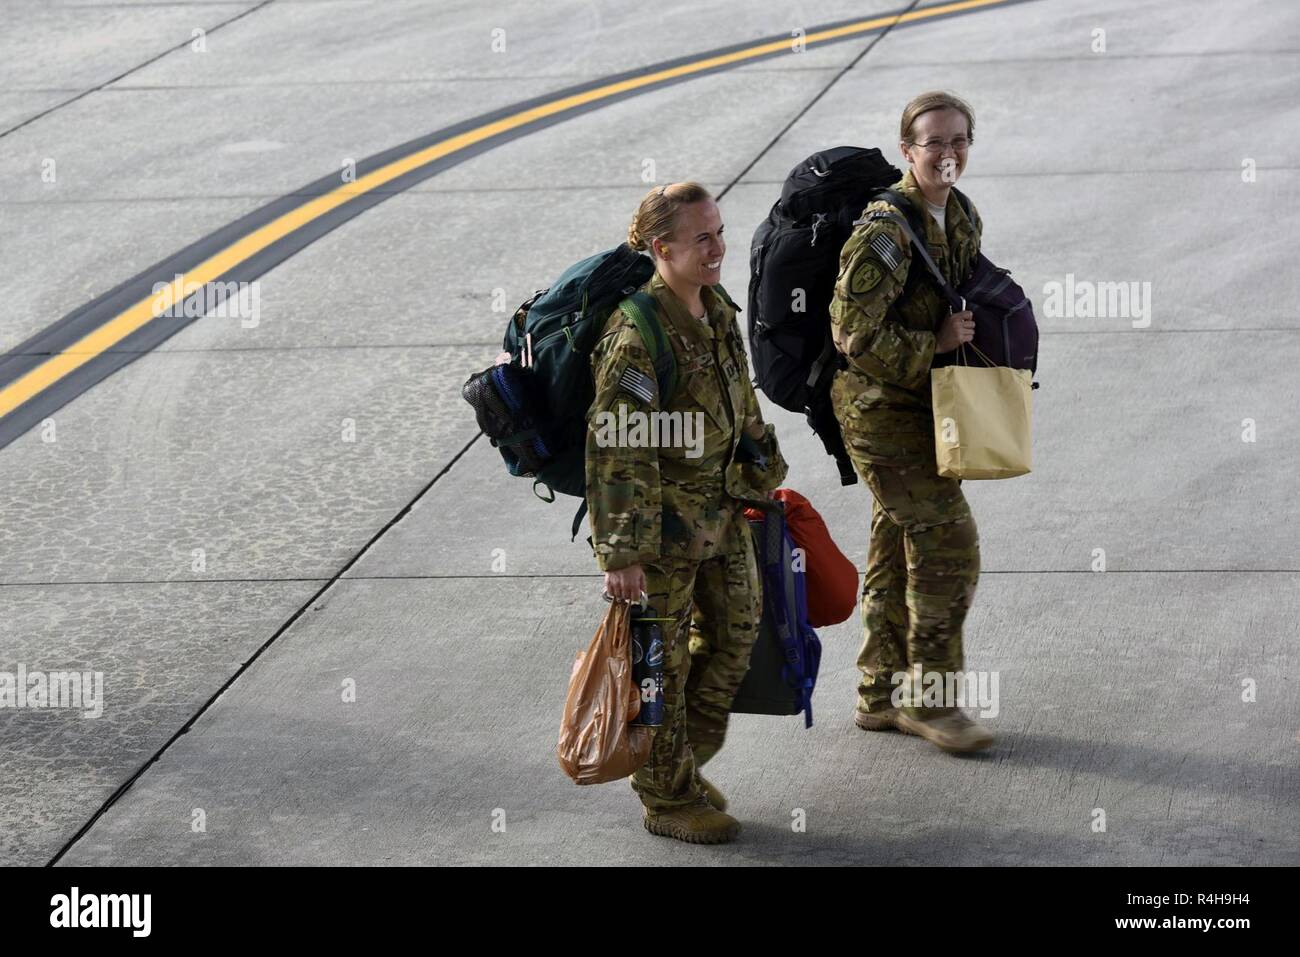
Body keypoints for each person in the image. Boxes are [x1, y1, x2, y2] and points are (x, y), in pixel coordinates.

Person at [586, 182, 787, 843]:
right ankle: (666, 797)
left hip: (725, 513)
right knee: (657, 668)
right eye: (702, 238)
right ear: (660, 246)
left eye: (720, 232)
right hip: (663, 533)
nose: (719, 247)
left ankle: (680, 764)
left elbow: (740, 400)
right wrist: (622, 553)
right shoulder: (635, 336)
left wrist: (766, 469)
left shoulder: (717, 306)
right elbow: (617, 447)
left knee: (736, 638)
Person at [830, 91, 993, 753]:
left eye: (958, 140)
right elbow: (849, 332)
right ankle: (936, 704)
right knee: (949, 545)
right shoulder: (885, 232)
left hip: (926, 406)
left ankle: (878, 695)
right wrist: (937, 344)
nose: (947, 152)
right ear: (907, 150)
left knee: (897, 547)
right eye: (933, 141)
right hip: (876, 412)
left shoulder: (960, 214)